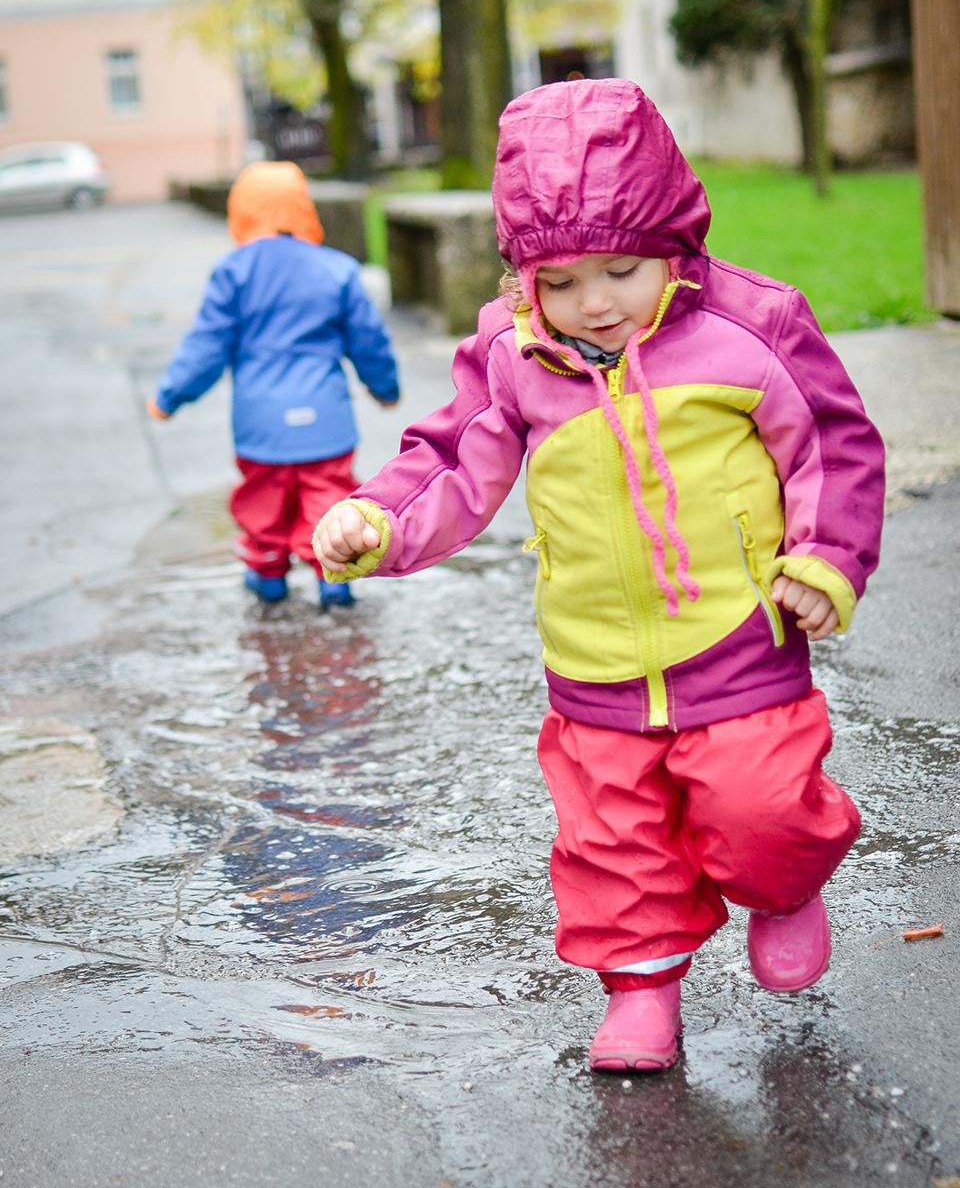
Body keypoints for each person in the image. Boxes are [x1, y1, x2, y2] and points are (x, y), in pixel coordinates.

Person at [313, 79, 884, 1071]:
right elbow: (452, 462)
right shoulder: (516, 354)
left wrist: (824, 558)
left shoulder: (750, 328)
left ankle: (785, 884)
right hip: (596, 663)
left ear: (675, 245)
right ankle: (642, 992)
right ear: (522, 274)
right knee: (614, 846)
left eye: (623, 269)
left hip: (740, 637)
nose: (595, 305)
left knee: (763, 809)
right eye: (562, 280)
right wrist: (376, 518)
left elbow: (831, 445)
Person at [148, 161, 399, 610]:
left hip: (260, 423)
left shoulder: (233, 272)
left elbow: (206, 346)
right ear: (304, 209)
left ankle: (268, 579)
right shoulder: (338, 269)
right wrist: (385, 388)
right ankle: (334, 579)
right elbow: (369, 341)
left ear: (240, 212)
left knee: (262, 500)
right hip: (325, 418)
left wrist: (168, 397)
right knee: (328, 494)